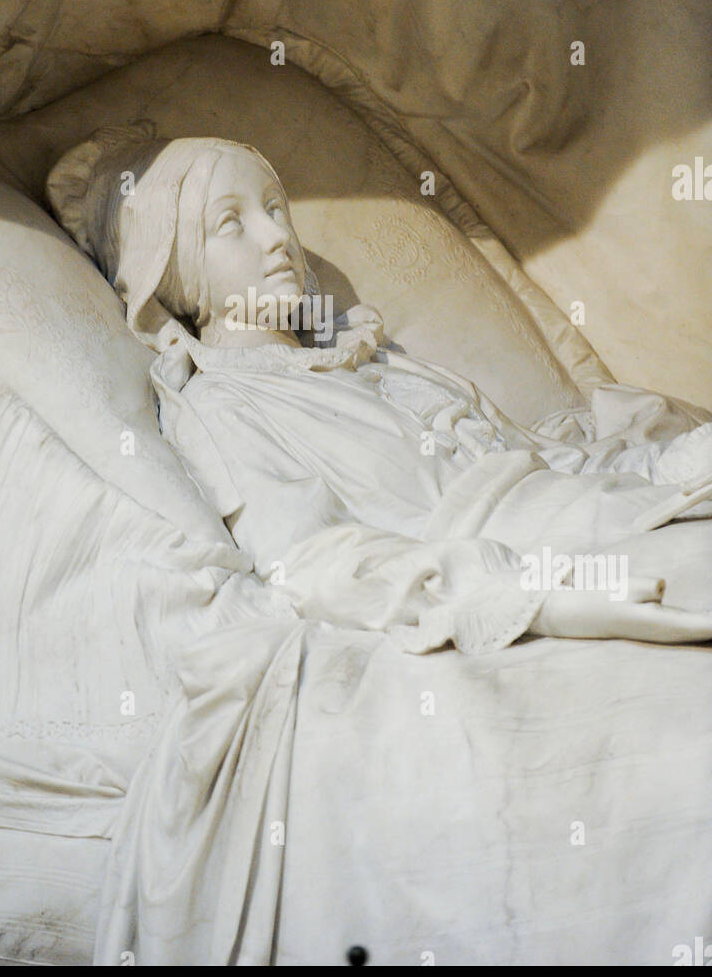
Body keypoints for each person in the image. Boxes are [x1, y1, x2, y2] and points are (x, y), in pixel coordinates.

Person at [47, 128, 712, 658]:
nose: (278, 236)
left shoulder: (378, 365)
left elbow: (541, 458)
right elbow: (316, 563)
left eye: (274, 209)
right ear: (172, 274)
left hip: (592, 516)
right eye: (231, 223)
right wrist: (531, 598)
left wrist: (676, 466)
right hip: (529, 568)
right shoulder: (225, 408)